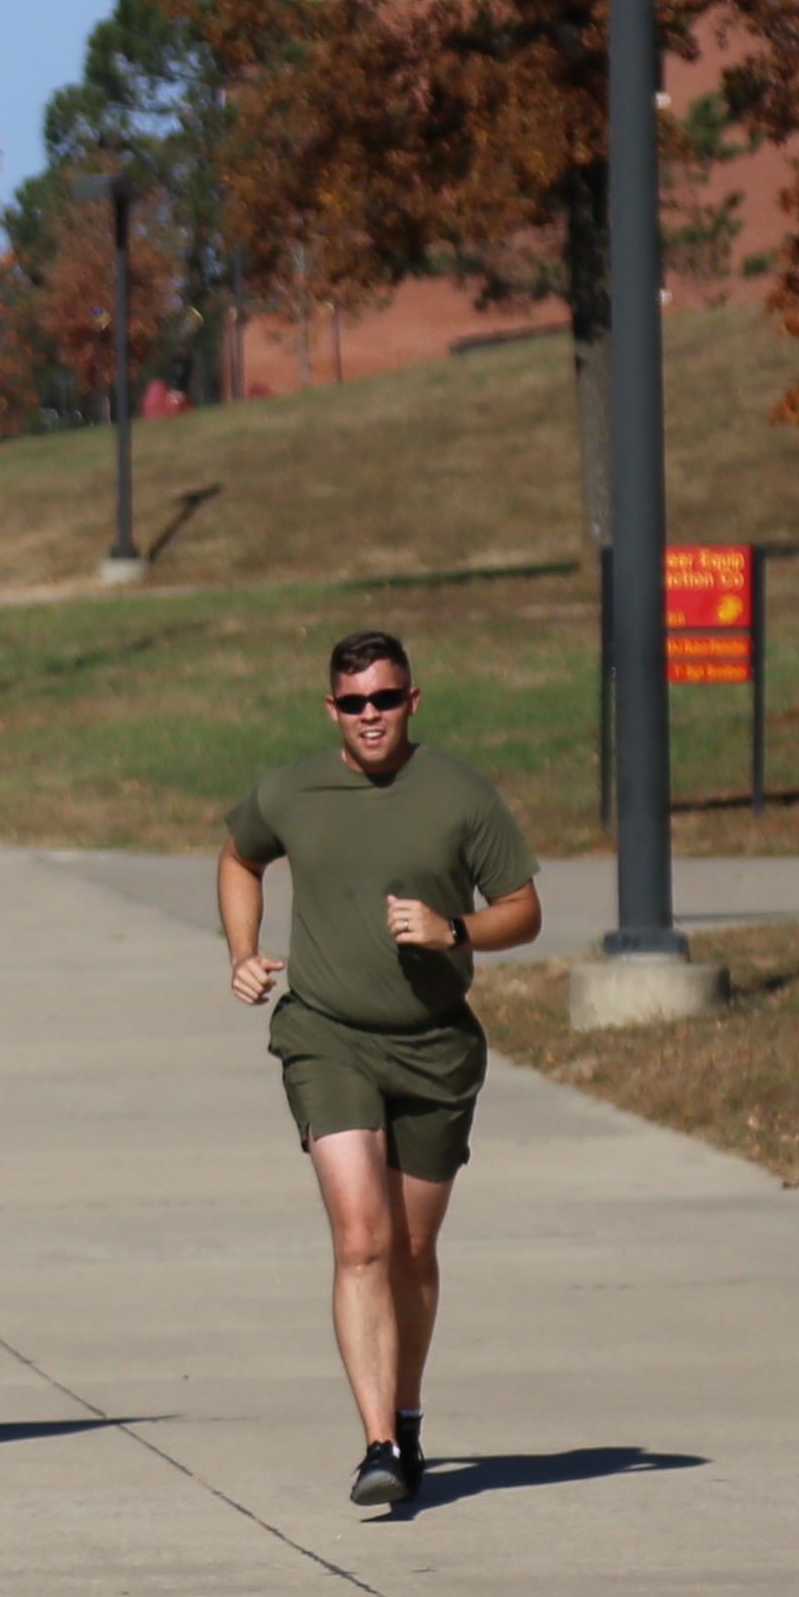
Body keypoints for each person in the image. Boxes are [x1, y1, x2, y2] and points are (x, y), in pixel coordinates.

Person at [217, 627, 540, 1514]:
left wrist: (456, 932)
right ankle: (378, 1444)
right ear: (333, 708)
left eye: (385, 699)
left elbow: (524, 909)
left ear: (411, 701)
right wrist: (243, 950)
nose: (371, 716)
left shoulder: (458, 794)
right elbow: (240, 857)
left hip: (436, 1046)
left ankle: (408, 1408)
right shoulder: (291, 790)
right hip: (326, 1036)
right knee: (360, 1238)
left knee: (411, 1250)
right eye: (354, 703)